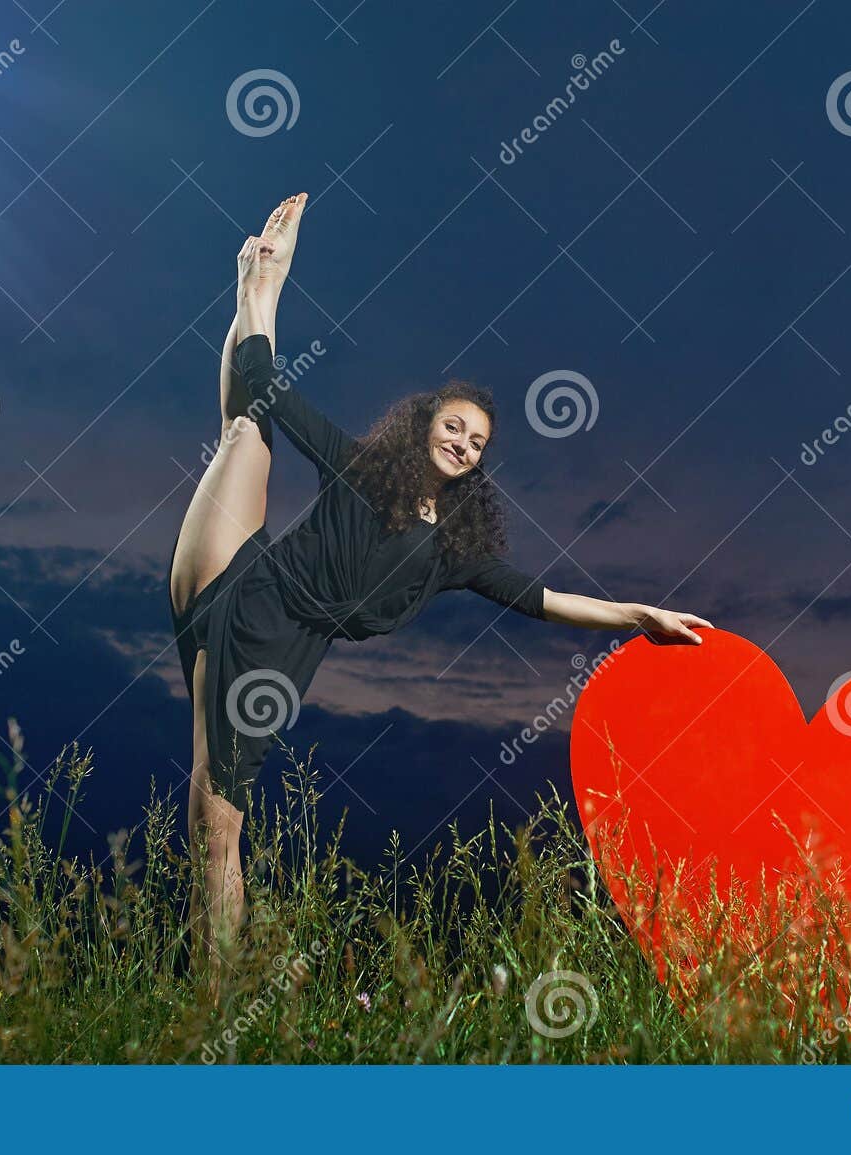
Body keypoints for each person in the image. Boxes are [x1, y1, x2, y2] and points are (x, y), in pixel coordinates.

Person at [168, 193, 714, 987]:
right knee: (246, 427)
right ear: (425, 423)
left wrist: (636, 614)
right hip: (236, 576)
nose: (463, 442)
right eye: (454, 426)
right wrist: (264, 294)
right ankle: (261, 281)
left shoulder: (452, 553)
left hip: (270, 646)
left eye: (477, 441)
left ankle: (213, 995)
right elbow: (266, 385)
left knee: (216, 823)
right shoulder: (362, 469)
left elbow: (541, 598)